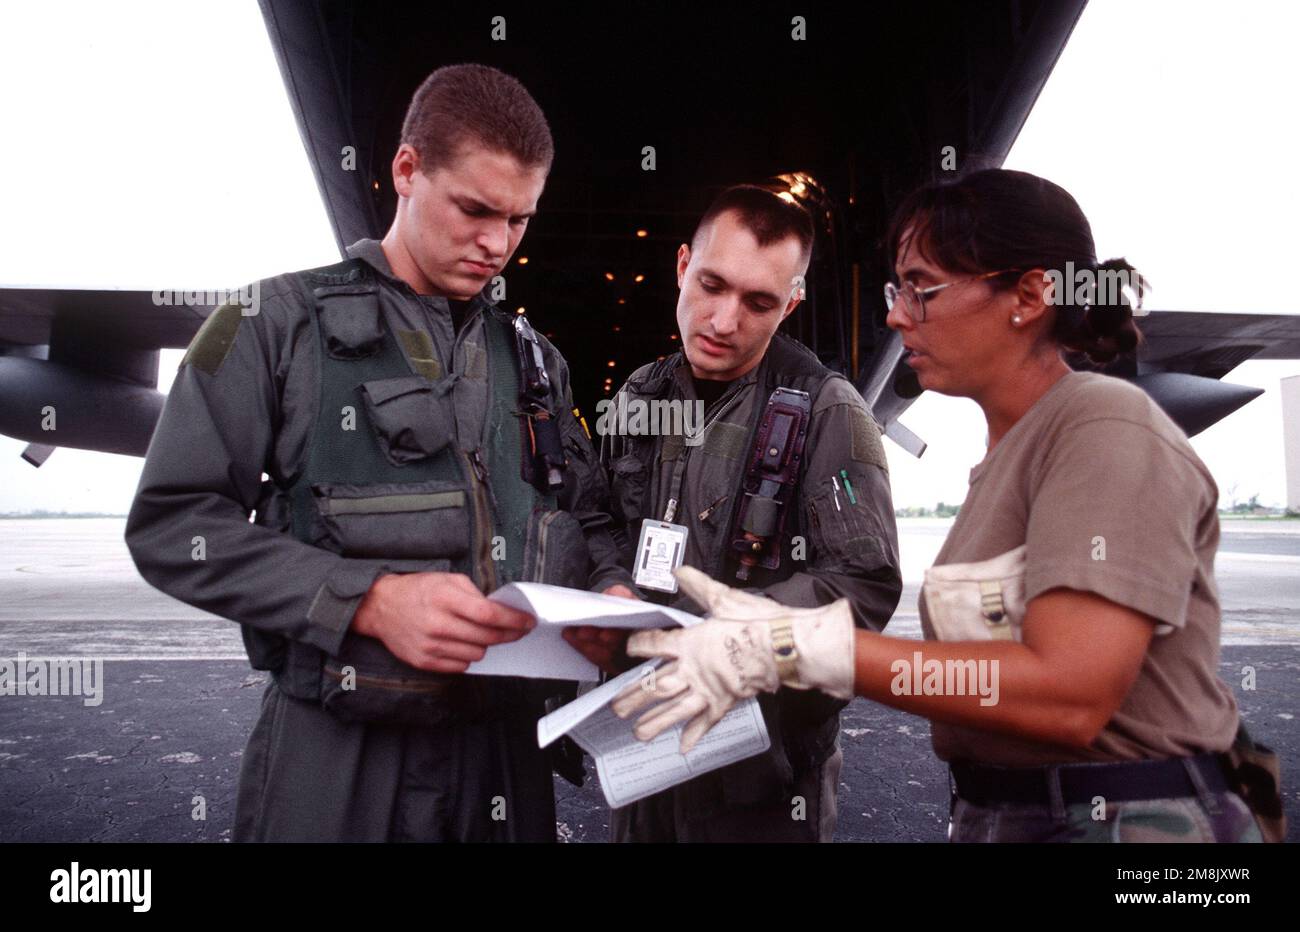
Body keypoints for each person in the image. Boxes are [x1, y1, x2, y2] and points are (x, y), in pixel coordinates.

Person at [609, 168, 1267, 843]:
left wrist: (793, 646)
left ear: (1031, 294)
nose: (895, 315)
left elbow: (1070, 697)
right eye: (900, 290)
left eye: (922, 289)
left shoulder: (1103, 424)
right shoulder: (1012, 452)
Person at [125, 64, 636, 842]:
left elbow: (586, 515)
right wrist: (364, 599)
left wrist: (612, 592)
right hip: (340, 762)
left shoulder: (536, 362)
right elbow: (172, 525)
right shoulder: (272, 324)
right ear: (406, 170)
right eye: (474, 209)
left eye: (520, 220)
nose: (496, 244)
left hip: (501, 764)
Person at [565, 185, 902, 842]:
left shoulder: (830, 410)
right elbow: (601, 518)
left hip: (763, 771)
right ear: (682, 265)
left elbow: (864, 584)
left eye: (758, 302)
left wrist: (729, 639)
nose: (723, 321)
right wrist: (609, 585)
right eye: (711, 285)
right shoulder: (641, 392)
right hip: (647, 741)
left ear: (792, 304)